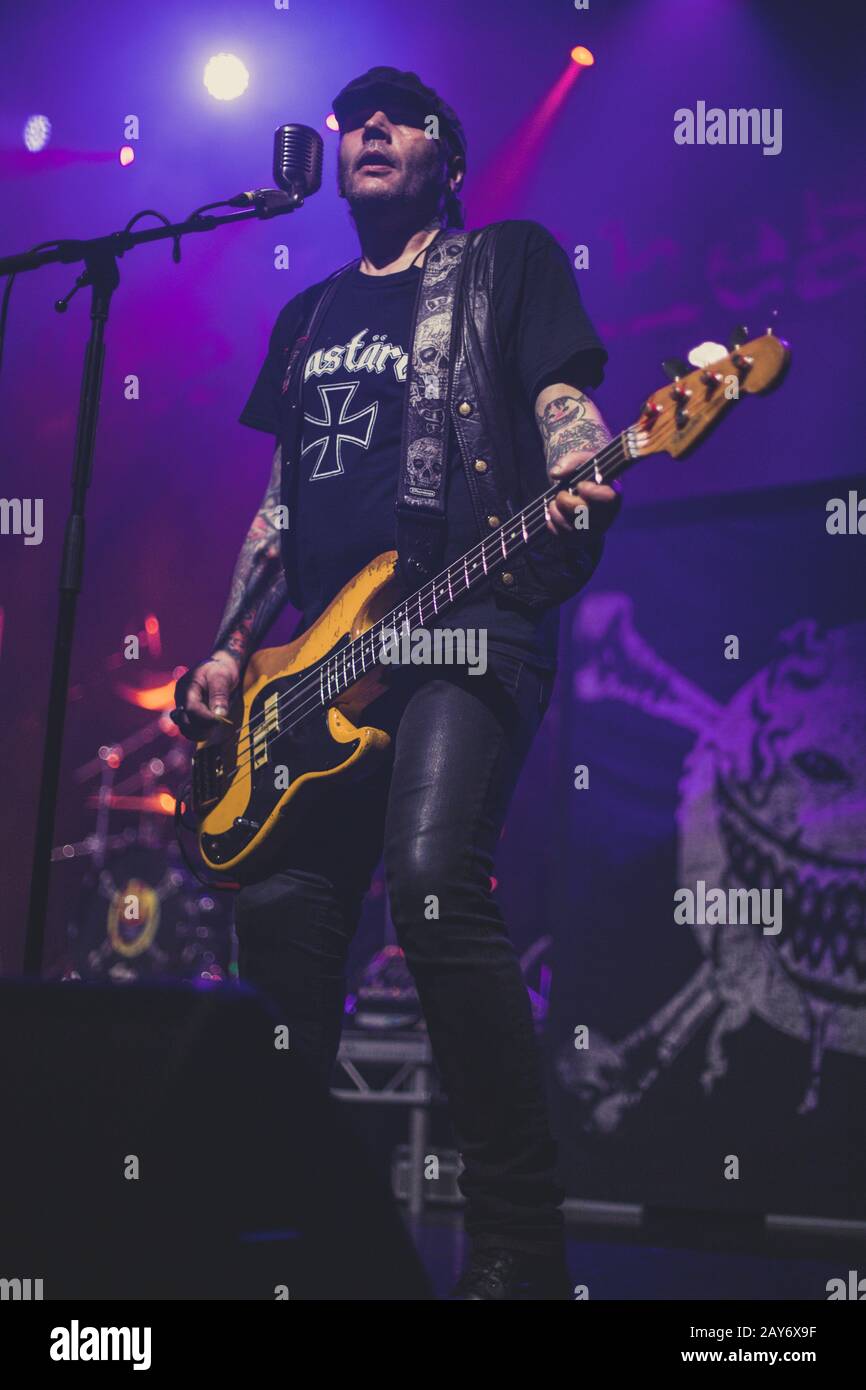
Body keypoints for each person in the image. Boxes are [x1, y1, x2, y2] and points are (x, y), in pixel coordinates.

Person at [174, 66, 621, 1300]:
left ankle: (518, 1249)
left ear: (446, 153)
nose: (366, 128)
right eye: (352, 116)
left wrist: (583, 461)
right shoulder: (307, 315)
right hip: (315, 674)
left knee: (430, 886)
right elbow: (280, 507)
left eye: (399, 116)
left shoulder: (504, 263)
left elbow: (557, 396)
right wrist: (226, 647)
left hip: (459, 618)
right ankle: (272, 1245)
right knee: (278, 941)